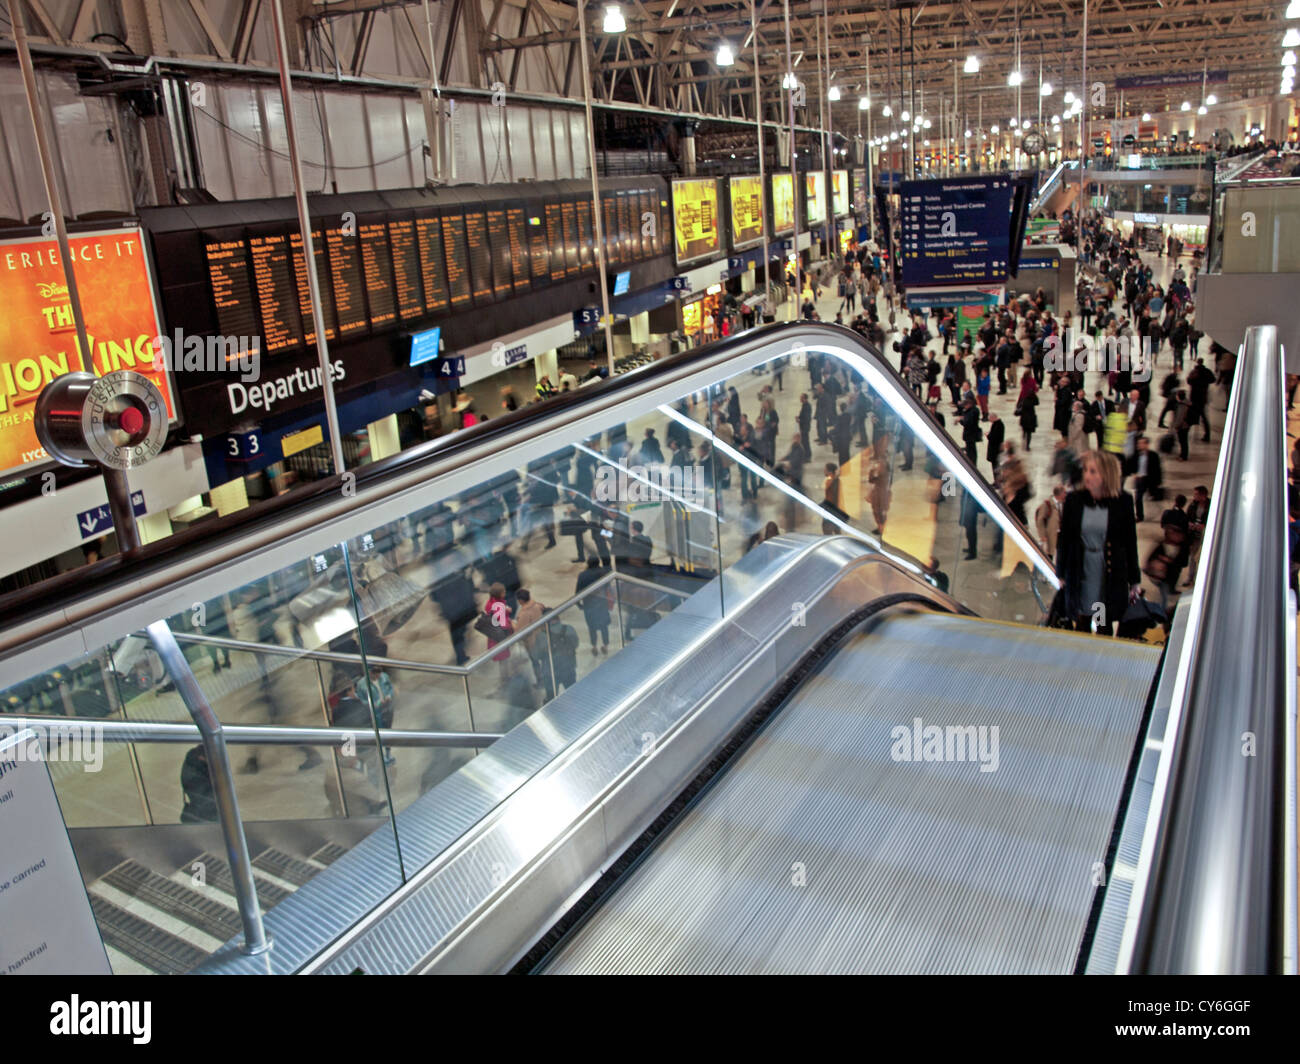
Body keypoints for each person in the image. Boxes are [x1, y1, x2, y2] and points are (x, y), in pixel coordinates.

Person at [1055, 450, 1141, 636]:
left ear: (1107, 474)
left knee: (1102, 618)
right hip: (1081, 569)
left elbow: (1129, 541)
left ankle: (1101, 653)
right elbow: (1065, 539)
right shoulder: (1074, 500)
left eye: (1093, 471)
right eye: (1086, 470)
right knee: (1082, 619)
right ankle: (1082, 655)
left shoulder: (1122, 501)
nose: (1087, 475)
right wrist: (1060, 571)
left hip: (1105, 573)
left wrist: (1134, 580)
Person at [514, 589, 552, 702]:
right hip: (544, 638)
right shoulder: (538, 606)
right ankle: (548, 677)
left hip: (532, 642)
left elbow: (519, 632)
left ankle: (541, 681)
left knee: (535, 662)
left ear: (520, 600)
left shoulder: (524, 614)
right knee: (545, 660)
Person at [575, 557, 611, 654]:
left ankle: (594, 646)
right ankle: (605, 645)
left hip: (588, 605)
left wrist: (579, 605)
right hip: (602, 604)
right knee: (604, 626)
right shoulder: (604, 573)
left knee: (592, 627)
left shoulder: (582, 575)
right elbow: (608, 588)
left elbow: (578, 592)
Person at [1124, 435, 1163, 522]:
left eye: (1141, 443)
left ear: (1147, 444)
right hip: (1140, 479)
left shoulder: (1153, 455)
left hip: (1150, 479)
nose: (1139, 445)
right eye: (1138, 443)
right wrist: (1133, 474)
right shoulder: (1135, 455)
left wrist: (1158, 481)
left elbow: (1158, 469)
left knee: (1153, 496)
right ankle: (1139, 516)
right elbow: (1128, 466)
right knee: (1138, 498)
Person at [179, 744, 218, 824]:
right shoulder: (195, 775)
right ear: (201, 757)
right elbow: (206, 802)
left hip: (202, 816)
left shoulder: (195, 764)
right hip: (203, 819)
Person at [1183, 485, 1211, 588]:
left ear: (1202, 495)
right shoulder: (1193, 505)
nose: (1194, 496)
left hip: (1204, 535)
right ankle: (1190, 577)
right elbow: (1188, 517)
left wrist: (1204, 526)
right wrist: (1190, 524)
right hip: (1194, 535)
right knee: (1192, 557)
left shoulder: (1211, 505)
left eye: (1196, 494)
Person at [1035, 484, 1067, 557]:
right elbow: (1040, 520)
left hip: (1060, 535)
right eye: (1064, 493)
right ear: (1060, 494)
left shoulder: (1063, 504)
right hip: (1050, 536)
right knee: (1050, 555)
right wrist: (1042, 535)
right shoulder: (1047, 504)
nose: (1066, 495)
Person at [985, 413, 1005, 477]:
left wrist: (988, 435)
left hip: (995, 449)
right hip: (995, 448)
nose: (989, 421)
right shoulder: (997, 424)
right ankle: (996, 480)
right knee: (995, 465)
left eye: (990, 419)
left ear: (993, 418)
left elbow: (994, 438)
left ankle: (997, 481)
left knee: (996, 466)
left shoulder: (998, 425)